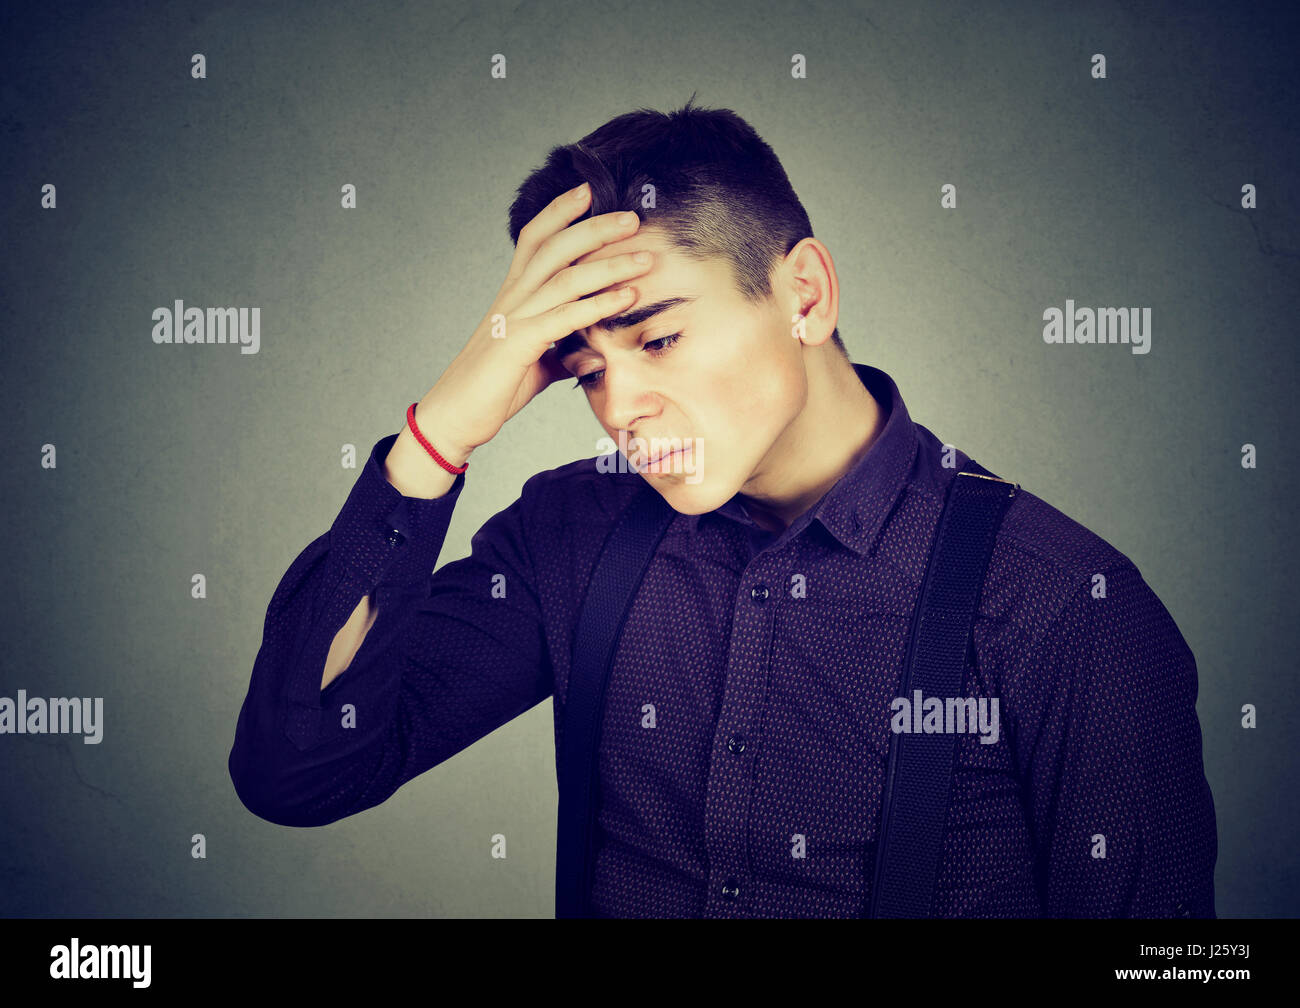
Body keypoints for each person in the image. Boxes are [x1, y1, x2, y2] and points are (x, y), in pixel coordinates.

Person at [228, 97, 1217, 918]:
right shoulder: (574, 537)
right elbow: (299, 771)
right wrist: (438, 435)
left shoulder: (1059, 607)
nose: (621, 410)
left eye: (655, 342)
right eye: (584, 373)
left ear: (805, 296)